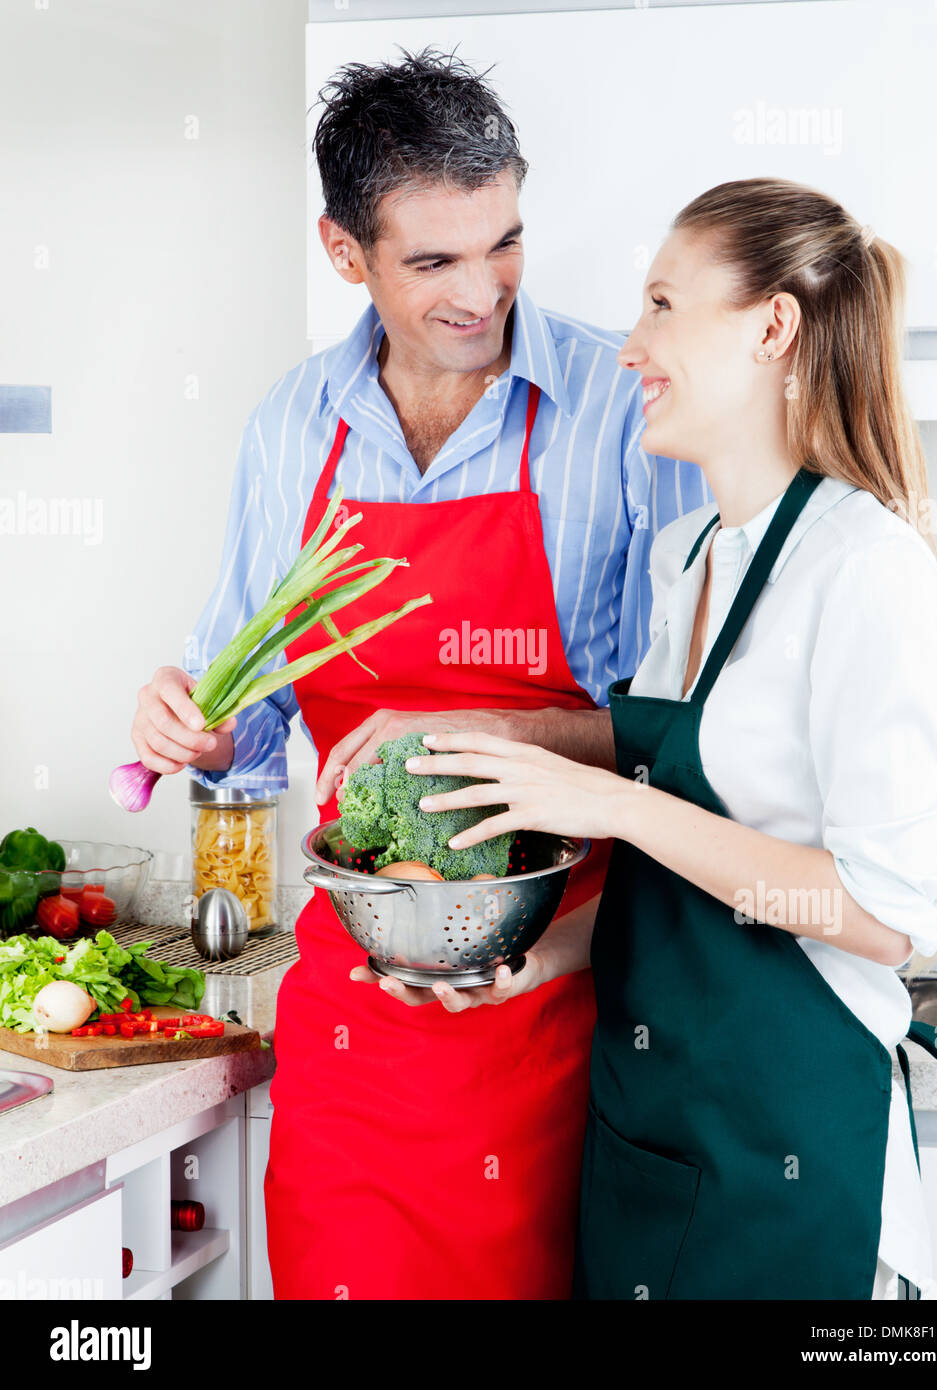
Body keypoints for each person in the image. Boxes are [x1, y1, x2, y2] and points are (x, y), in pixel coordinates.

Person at [127, 49, 705, 1299]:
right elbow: (256, 714)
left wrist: (456, 728)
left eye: (503, 242)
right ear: (346, 253)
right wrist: (197, 724)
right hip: (353, 1009)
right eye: (432, 261)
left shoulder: (623, 408)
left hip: (563, 984)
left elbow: (681, 733)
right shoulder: (293, 424)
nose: (480, 290)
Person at [394, 177, 937, 1300]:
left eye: (661, 305)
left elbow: (882, 915)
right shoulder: (685, 556)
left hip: (789, 1180)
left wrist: (609, 801)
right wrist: (528, 957)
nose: (631, 347)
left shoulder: (866, 573)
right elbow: (679, 887)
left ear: (772, 327)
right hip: (651, 1155)